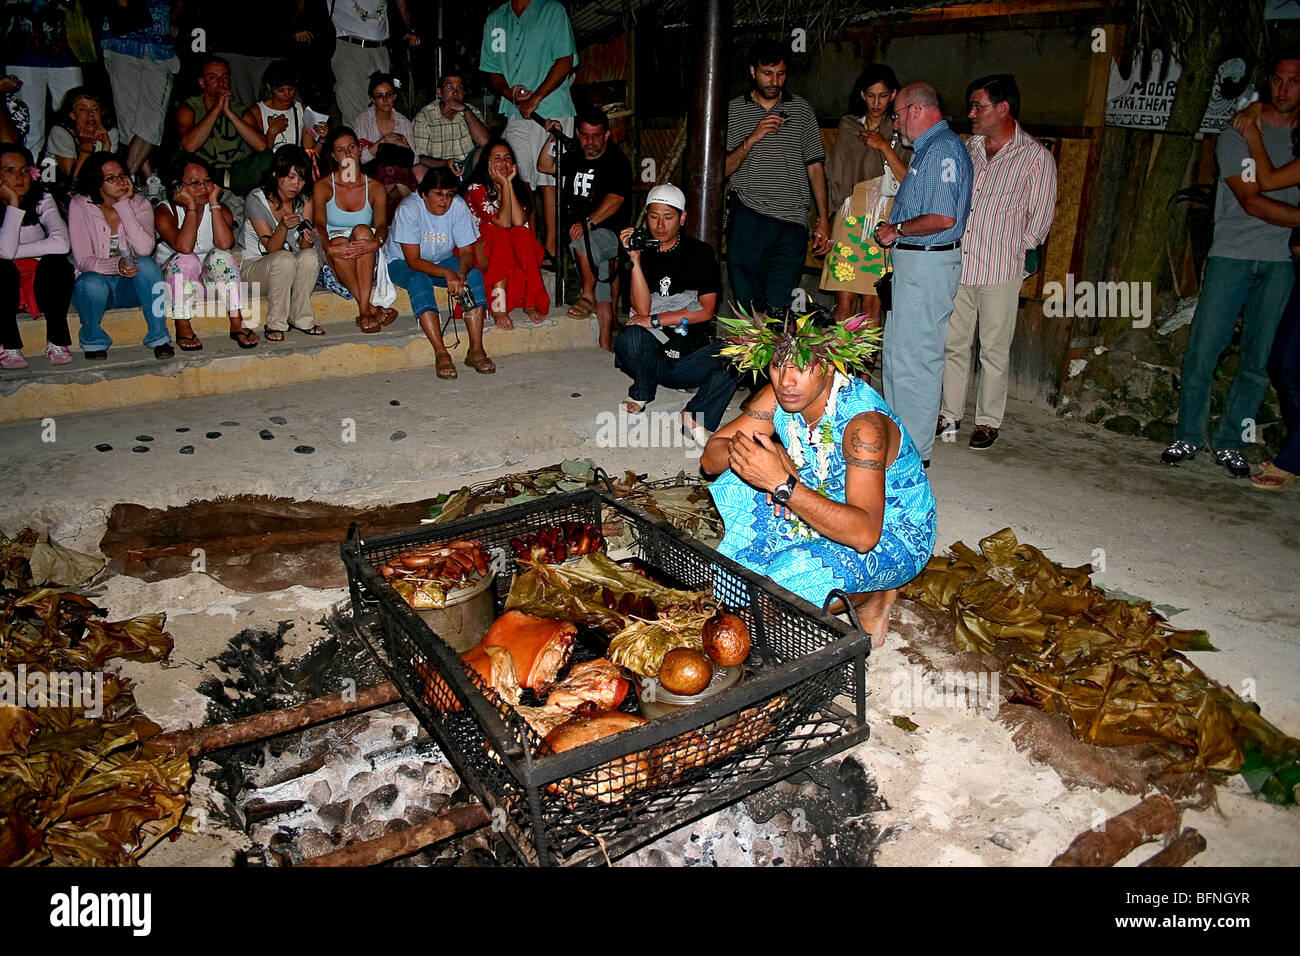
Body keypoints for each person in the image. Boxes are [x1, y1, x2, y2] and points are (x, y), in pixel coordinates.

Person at [703, 313, 936, 646]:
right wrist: (762, 451)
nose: (786, 381)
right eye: (777, 366)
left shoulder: (864, 426)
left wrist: (783, 485)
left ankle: (875, 595)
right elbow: (711, 458)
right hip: (816, 504)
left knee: (780, 591)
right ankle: (803, 556)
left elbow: (865, 534)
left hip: (891, 533)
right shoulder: (777, 397)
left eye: (801, 367)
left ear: (829, 367)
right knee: (733, 583)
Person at [1162, 49, 1300, 478]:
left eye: (1294, 81)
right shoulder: (1237, 132)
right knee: (1205, 349)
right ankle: (1188, 434)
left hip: (1281, 261)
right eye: (1277, 80)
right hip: (1232, 254)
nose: (1283, 89)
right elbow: (1252, 200)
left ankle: (1231, 443)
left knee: (1258, 361)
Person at [937, 74, 1057, 451]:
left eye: (978, 106)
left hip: (1001, 269)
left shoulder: (1035, 157)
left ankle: (988, 421)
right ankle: (949, 413)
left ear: (1003, 108)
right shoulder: (966, 149)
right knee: (953, 344)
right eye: (971, 106)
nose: (970, 113)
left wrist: (1014, 254)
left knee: (993, 348)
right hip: (960, 264)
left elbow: (1040, 219)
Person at [872, 82, 973, 468]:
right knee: (899, 355)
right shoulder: (928, 149)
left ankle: (914, 453)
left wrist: (897, 230)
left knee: (918, 358)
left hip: (928, 262)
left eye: (896, 115)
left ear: (915, 110)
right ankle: (899, 443)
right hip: (914, 262)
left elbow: (944, 218)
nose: (895, 125)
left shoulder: (944, 149)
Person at [614, 183, 737, 441]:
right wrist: (635, 262)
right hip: (651, 357)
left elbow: (705, 311)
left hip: (687, 357)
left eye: (668, 217)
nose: (660, 225)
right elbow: (641, 310)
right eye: (653, 216)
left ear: (682, 217)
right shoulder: (639, 251)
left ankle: (695, 414)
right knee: (630, 335)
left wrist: (656, 320)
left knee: (736, 355)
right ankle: (642, 390)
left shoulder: (699, 253)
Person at [724, 39, 833, 320]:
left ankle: (776, 362)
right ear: (752, 71)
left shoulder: (801, 109)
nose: (775, 80)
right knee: (747, 304)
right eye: (767, 73)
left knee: (778, 307)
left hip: (791, 220)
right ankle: (748, 363)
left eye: (781, 73)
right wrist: (753, 137)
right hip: (749, 213)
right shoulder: (733, 110)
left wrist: (823, 217)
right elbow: (721, 169)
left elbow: (815, 166)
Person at [479, 0, 578, 260]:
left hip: (553, 106)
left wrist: (537, 98)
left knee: (550, 181)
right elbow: (492, 69)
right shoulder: (496, 19)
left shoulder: (553, 10)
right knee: (520, 179)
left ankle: (552, 248)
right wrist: (507, 92)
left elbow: (566, 60)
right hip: (515, 110)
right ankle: (529, 245)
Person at [820, 65, 910, 332]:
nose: (876, 102)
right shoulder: (848, 125)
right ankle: (841, 372)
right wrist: (824, 219)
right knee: (844, 299)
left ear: (893, 95)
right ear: (862, 94)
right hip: (849, 216)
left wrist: (883, 145)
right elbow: (834, 175)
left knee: (873, 302)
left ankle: (864, 375)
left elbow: (908, 179)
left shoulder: (900, 130)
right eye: (870, 95)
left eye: (883, 95)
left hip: (883, 218)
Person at [384, 167, 493, 379]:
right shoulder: (409, 209)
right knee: (419, 280)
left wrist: (460, 273)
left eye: (449, 195)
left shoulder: (459, 207)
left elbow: (467, 252)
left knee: (474, 276)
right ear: (424, 194)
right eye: (438, 194)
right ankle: (441, 352)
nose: (445, 201)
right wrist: (447, 273)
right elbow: (414, 261)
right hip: (402, 262)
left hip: (441, 259)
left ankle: (476, 349)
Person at [537, 108, 631, 351]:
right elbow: (544, 166)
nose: (590, 141)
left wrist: (588, 224)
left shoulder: (617, 160)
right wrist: (553, 137)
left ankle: (586, 295)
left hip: (610, 233)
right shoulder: (573, 157)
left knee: (582, 244)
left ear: (607, 134)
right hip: (584, 232)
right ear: (578, 134)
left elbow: (616, 199)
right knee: (603, 284)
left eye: (596, 135)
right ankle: (604, 344)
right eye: (585, 135)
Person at [68, 152, 172, 360]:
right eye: (111, 178)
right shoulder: (80, 205)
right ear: (96, 183)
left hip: (131, 286)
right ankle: (93, 340)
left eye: (123, 175)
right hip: (95, 289)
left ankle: (159, 337)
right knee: (90, 282)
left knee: (148, 265)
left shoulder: (139, 204)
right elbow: (84, 260)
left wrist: (123, 206)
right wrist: (117, 266)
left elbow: (144, 249)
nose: (121, 181)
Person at [154, 152, 253, 350]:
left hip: (206, 281)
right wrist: (191, 207)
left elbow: (225, 244)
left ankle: (237, 321)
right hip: (172, 283)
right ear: (177, 185)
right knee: (187, 258)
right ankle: (182, 322)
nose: (203, 188)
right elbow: (184, 247)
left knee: (222, 256)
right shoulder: (166, 211)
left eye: (207, 181)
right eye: (194, 183)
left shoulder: (219, 208)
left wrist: (214, 204)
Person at [311, 126, 394, 333]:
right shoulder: (324, 186)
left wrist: (377, 242)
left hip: (365, 255)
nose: (347, 154)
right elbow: (319, 224)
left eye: (351, 147)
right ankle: (368, 308)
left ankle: (365, 309)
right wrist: (328, 247)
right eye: (340, 150)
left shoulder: (374, 187)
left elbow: (382, 225)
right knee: (338, 242)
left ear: (359, 149)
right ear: (333, 155)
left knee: (363, 231)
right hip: (336, 259)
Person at [0, 142, 73, 368]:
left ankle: (57, 340)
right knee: (1, 269)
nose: (19, 177)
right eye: (9, 171)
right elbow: (4, 253)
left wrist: (11, 254)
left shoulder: (42, 197)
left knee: (58, 263)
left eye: (23, 170)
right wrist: (13, 203)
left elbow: (62, 244)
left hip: (38, 280)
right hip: (4, 284)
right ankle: (8, 345)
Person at [463, 138, 549, 328]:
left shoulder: (517, 186)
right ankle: (498, 306)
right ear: (487, 163)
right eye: (497, 158)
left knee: (523, 235)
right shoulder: (476, 187)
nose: (503, 163)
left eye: (507, 158)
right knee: (501, 235)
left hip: (507, 244)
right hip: (481, 247)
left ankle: (530, 302)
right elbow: (501, 222)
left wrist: (507, 185)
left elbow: (518, 222)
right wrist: (502, 185)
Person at [241, 146, 323, 340]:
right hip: (255, 270)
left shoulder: (304, 200)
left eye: (302, 179)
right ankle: (275, 323)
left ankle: (301, 318)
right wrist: (283, 227)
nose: (296, 184)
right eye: (291, 177)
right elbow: (272, 249)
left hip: (288, 270)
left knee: (310, 256)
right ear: (276, 174)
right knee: (284, 259)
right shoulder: (256, 199)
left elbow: (304, 249)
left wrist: (308, 238)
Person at [99, 0, 179, 198]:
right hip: (121, 42)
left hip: (159, 48)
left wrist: (171, 19)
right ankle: (150, 180)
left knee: (152, 119)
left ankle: (125, 178)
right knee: (130, 120)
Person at [176, 56, 271, 197]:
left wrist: (229, 113)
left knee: (267, 157)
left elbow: (261, 146)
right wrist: (215, 109)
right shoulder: (189, 107)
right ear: (202, 82)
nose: (221, 83)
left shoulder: (240, 110)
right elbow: (189, 145)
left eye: (225, 77)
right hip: (204, 171)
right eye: (213, 78)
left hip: (234, 171)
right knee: (178, 159)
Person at [3, 0, 83, 155]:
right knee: (30, 126)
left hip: (66, 51)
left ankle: (78, 171)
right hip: (23, 52)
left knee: (78, 117)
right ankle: (30, 175)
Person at [330, 0, 420, 129]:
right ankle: (357, 146)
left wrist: (408, 26)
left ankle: (379, 146)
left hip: (380, 48)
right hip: (349, 46)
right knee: (353, 110)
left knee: (383, 106)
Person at [353, 72, 421, 204]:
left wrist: (404, 144)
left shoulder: (403, 122)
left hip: (399, 174)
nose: (385, 100)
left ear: (394, 96)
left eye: (389, 95)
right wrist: (380, 143)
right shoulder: (363, 120)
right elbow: (359, 157)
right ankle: (374, 205)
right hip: (373, 171)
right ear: (372, 99)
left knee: (397, 173)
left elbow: (414, 160)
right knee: (393, 173)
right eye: (379, 96)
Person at [412, 73, 490, 183]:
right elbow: (419, 158)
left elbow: (486, 143)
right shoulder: (424, 116)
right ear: (439, 92)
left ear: (464, 92)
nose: (455, 92)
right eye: (449, 87)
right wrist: (445, 163)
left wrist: (465, 111)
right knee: (418, 170)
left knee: (486, 154)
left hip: (468, 169)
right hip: (439, 171)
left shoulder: (471, 111)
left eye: (459, 87)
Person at [243, 60, 328, 155]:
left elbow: (310, 155)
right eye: (281, 91)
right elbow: (260, 153)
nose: (287, 95)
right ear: (269, 87)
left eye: (291, 89)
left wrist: (322, 139)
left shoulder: (303, 110)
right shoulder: (256, 113)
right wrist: (272, 132)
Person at [45, 87, 119, 183]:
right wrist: (86, 147)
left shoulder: (110, 133)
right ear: (72, 115)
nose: (91, 114)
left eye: (95, 109)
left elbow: (106, 174)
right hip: (56, 186)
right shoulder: (60, 132)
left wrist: (105, 147)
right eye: (83, 109)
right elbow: (73, 178)